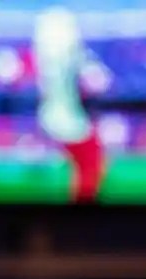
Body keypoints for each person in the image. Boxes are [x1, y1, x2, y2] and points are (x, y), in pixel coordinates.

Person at [32, 6, 111, 203]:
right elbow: (96, 81)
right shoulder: (68, 55)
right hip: (68, 119)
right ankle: (82, 205)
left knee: (88, 162)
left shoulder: (46, 57)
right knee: (91, 162)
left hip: (55, 114)